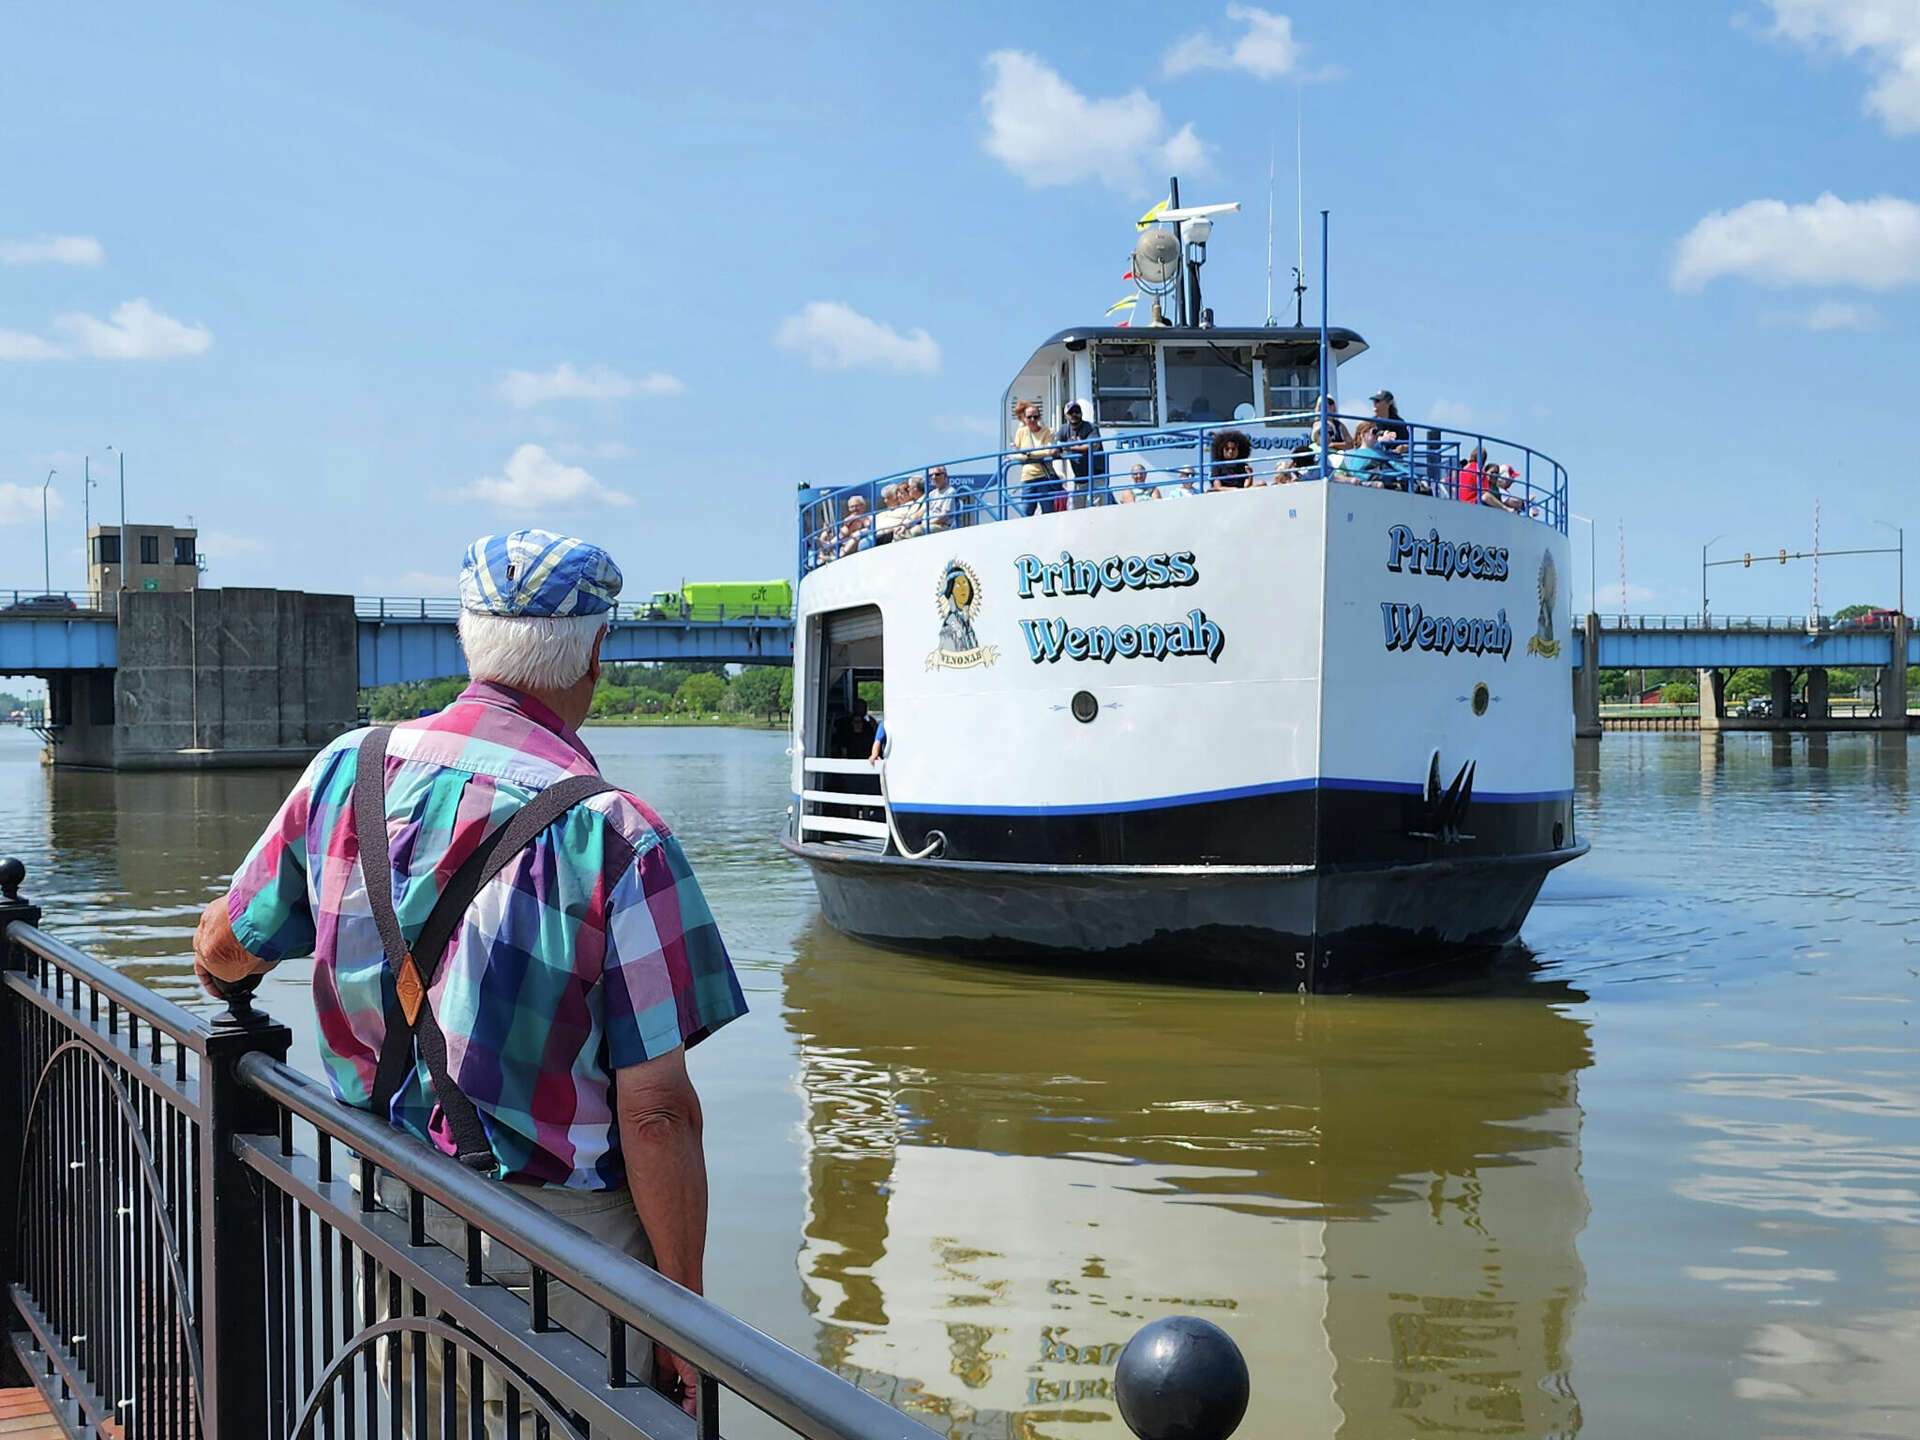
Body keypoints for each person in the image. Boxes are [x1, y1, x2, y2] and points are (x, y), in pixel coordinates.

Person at [193, 529, 746, 1421]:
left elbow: (224, 949)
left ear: (464, 639)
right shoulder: (617, 836)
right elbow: (657, 1111)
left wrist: (228, 975)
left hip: (395, 1213)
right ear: (597, 654)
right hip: (564, 1257)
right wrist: (681, 1315)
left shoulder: (349, 771)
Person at [1011, 401, 1062, 515]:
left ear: (1039, 417)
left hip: (1044, 477)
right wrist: (1038, 452)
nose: (1033, 420)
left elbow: (1048, 451)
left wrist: (1028, 454)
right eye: (1029, 417)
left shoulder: (1048, 432)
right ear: (1024, 419)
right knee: (1026, 513)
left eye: (1036, 416)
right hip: (1027, 479)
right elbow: (1016, 454)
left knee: (1048, 513)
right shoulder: (1021, 432)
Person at [1057, 400, 1106, 508]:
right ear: (1066, 416)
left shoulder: (1091, 427)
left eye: (1077, 411)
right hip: (1079, 478)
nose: (1074, 414)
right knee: (1077, 509)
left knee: (1098, 508)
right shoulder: (1064, 429)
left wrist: (1068, 447)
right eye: (1071, 412)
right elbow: (1055, 447)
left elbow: (1093, 446)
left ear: (1081, 413)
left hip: (1096, 475)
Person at [926, 466, 957, 530]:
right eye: (931, 475)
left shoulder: (950, 491)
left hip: (942, 525)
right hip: (929, 523)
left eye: (937, 474)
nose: (934, 477)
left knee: (916, 531)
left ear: (945, 476)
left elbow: (944, 517)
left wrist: (928, 523)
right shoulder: (931, 494)